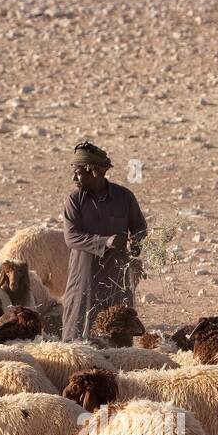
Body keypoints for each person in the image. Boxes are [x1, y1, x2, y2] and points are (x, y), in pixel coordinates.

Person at [60, 140, 147, 342]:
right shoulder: (75, 200)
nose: (74, 177)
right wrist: (105, 242)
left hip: (116, 277)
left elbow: (140, 227)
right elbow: (71, 237)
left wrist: (136, 242)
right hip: (84, 276)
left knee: (117, 333)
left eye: (79, 172)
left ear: (95, 172)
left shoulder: (124, 197)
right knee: (78, 330)